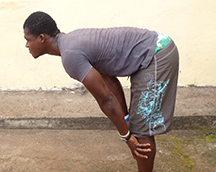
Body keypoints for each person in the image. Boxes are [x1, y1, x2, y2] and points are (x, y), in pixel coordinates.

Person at [23, 11, 179, 172]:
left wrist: (126, 136)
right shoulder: (71, 42)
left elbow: (106, 100)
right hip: (152, 50)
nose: (26, 45)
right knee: (136, 125)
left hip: (156, 54)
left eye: (28, 40)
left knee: (141, 131)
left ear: (41, 38)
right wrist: (125, 120)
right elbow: (108, 79)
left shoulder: (70, 56)